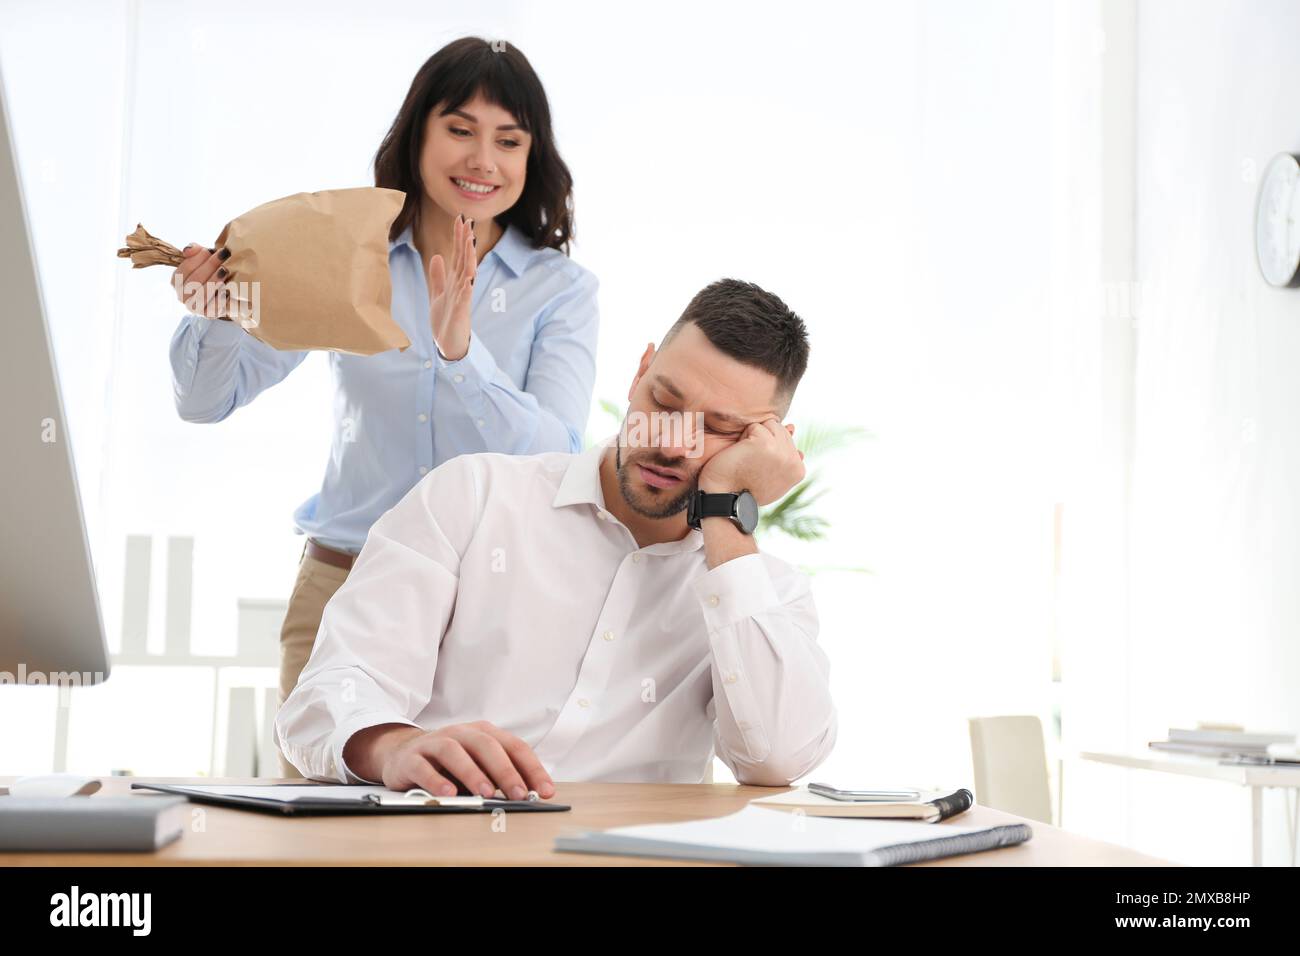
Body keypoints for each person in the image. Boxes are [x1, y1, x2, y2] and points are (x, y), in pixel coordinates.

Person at [164, 38, 599, 776]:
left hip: (492, 604)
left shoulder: (560, 290)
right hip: (345, 586)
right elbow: (207, 404)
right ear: (418, 134)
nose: (482, 161)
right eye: (460, 129)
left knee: (472, 817)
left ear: (533, 159)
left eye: (509, 140)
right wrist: (215, 314)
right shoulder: (345, 257)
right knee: (317, 822)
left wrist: (461, 354)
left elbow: (553, 457)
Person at [275, 279, 836, 793]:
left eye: (718, 429)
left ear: (767, 446)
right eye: (664, 402)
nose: (672, 442)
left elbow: (779, 759)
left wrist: (725, 514)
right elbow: (329, 693)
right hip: (446, 843)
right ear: (640, 372)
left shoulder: (764, 593)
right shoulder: (473, 497)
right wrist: (393, 746)